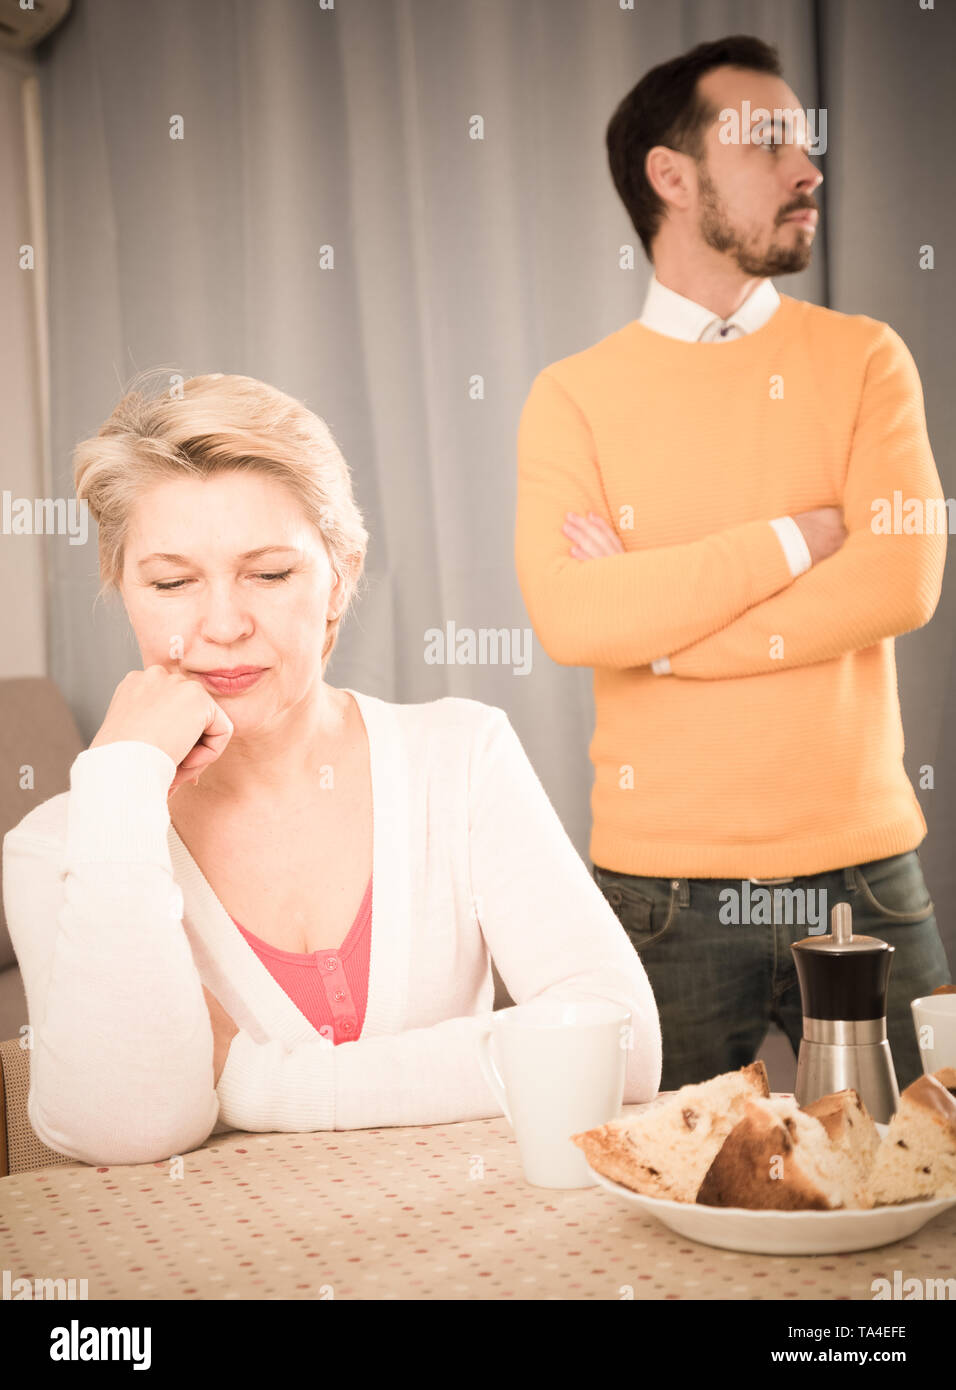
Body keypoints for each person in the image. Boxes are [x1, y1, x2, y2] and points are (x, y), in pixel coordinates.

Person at [1, 370, 661, 1167]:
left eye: (270, 574)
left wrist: (254, 1080)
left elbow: (619, 1048)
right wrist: (118, 790)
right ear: (125, 590)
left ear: (339, 579)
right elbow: (128, 1130)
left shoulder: (461, 757)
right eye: (172, 583)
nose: (222, 625)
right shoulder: (59, 843)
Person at [514, 35, 951, 1094]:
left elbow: (900, 582)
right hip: (659, 884)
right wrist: (792, 541)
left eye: (806, 146)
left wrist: (661, 637)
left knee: (928, 1191)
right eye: (766, 143)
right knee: (657, 1209)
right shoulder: (570, 396)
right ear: (671, 176)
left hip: (863, 869)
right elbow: (574, 621)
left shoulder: (862, 358)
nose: (808, 170)